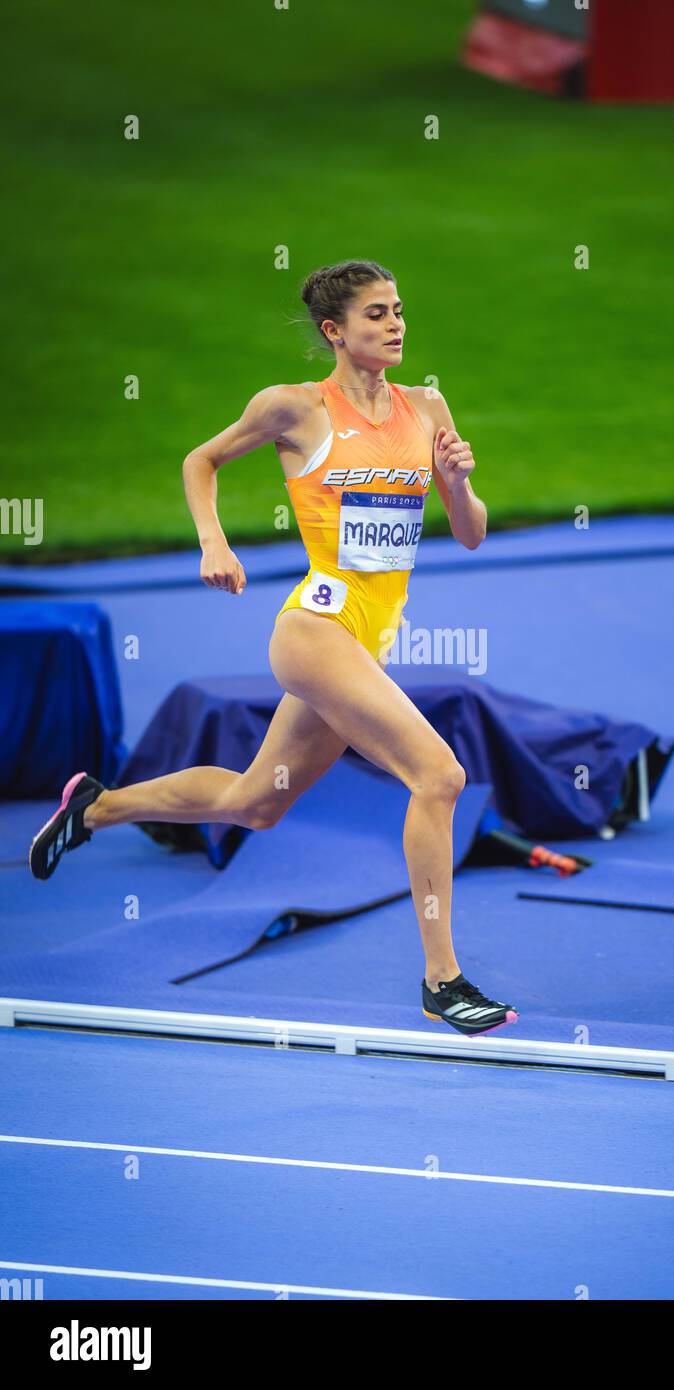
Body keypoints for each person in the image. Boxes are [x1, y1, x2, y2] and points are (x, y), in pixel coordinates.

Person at [30, 259, 518, 1037]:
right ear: (335, 332)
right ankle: (442, 979)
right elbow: (203, 460)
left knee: (256, 804)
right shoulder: (293, 409)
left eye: (398, 311)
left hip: (367, 642)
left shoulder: (427, 406)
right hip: (315, 632)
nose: (394, 325)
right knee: (440, 776)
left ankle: (98, 806)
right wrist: (213, 543)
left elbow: (469, 534)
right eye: (375, 315)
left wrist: (458, 484)